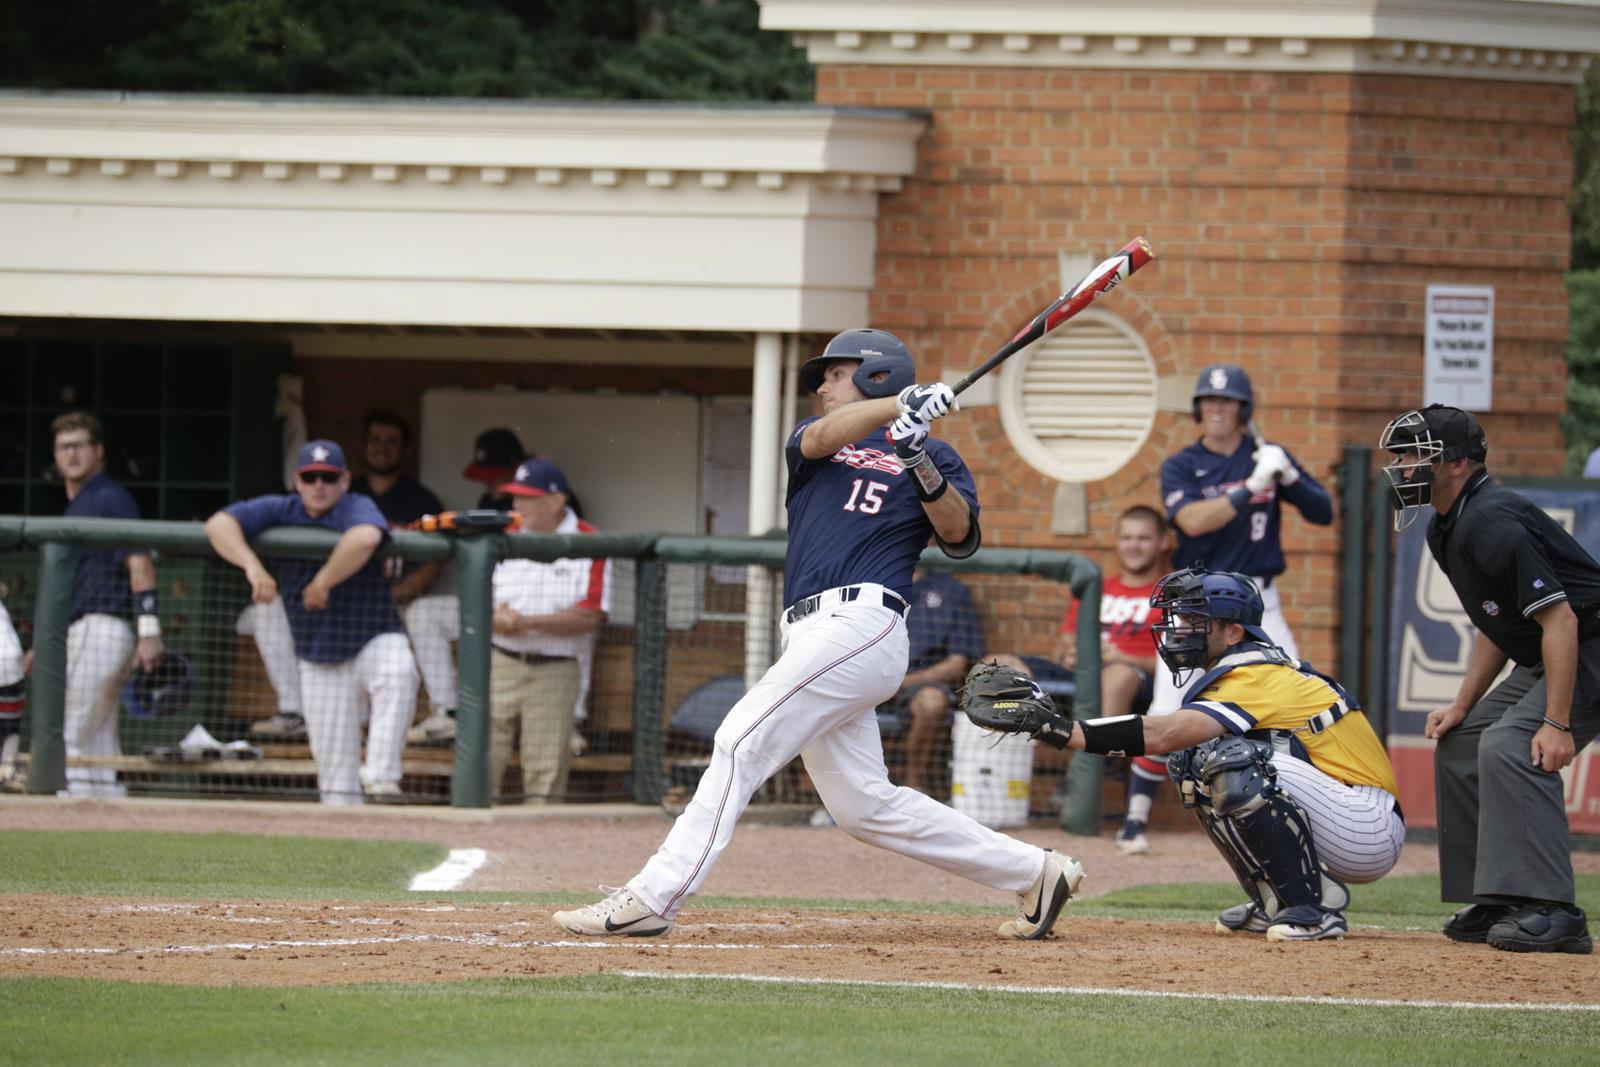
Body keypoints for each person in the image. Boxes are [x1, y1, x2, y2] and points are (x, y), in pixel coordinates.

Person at [553, 328, 1084, 941]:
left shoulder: (935, 456)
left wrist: (917, 458)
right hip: (811, 633)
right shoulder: (821, 444)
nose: (824, 386)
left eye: (835, 373)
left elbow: (960, 538)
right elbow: (825, 434)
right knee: (864, 806)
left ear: (878, 372)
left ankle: (653, 897)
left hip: (863, 623)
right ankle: (1036, 872)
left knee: (738, 740)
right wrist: (899, 408)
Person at [969, 566, 1403, 942]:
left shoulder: (1258, 674)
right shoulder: (1242, 670)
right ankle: (1276, 899)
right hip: (1336, 811)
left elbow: (1163, 733)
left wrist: (1060, 729)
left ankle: (1311, 912)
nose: (1180, 629)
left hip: (1367, 823)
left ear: (1234, 631)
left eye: (1197, 620)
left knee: (1233, 760)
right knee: (1192, 762)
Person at [1381, 404, 1600, 954]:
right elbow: (1496, 622)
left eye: (1415, 454)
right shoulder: (1445, 526)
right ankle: (1502, 895)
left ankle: (1554, 910)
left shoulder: (1492, 519)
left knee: (1510, 744)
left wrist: (1555, 722)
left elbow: (1561, 619)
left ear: (1456, 464)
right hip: (1558, 647)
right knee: (1466, 740)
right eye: (1401, 454)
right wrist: (1461, 703)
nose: (1403, 466)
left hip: (1587, 644)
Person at [1140, 365, 1334, 837]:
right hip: (1199, 600)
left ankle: (1294, 809)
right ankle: (1135, 820)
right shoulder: (1182, 464)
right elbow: (1192, 522)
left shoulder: (1266, 456)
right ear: (1199, 409)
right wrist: (1251, 488)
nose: (1218, 410)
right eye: (1209, 402)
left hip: (1259, 598)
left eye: (1227, 402)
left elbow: (1324, 512)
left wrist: (1287, 474)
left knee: (1292, 687)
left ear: (1244, 409)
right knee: (1168, 704)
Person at [204, 440, 419, 805]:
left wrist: (322, 582)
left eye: (329, 477)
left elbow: (366, 536)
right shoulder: (281, 507)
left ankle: (381, 777)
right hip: (319, 654)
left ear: (345, 481)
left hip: (371, 637)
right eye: (311, 477)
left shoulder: (356, 505)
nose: (320, 485)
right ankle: (347, 843)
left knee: (400, 671)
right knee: (335, 780)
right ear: (297, 480)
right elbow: (218, 524)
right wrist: (253, 567)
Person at [994, 505, 1171, 854]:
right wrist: (1070, 654)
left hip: (1136, 683)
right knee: (1002, 667)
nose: (1134, 546)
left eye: (1144, 539)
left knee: (1117, 676)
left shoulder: (1169, 593)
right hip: (1082, 675)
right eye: (1126, 538)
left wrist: (1124, 657)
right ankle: (997, 784)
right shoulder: (1097, 586)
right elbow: (1063, 648)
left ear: (1163, 543)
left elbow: (1178, 663)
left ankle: (1086, 772)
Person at [48, 412, 165, 797]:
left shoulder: (108, 496)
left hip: (102, 628)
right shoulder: (78, 503)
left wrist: (150, 632)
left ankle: (71, 821)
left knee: (70, 733)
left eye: (80, 445)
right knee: (98, 739)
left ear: (99, 451)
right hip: (86, 631)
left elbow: (140, 561)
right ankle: (109, 815)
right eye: (64, 447)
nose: (72, 454)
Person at [486, 458, 609, 803]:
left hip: (555, 669)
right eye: (515, 496)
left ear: (555, 502)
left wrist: (528, 623)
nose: (516, 505)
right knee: (482, 761)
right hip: (500, 663)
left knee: (545, 775)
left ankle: (539, 851)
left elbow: (590, 616)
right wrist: (494, 616)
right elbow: (475, 597)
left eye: (526, 497)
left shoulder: (593, 541)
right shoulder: (501, 537)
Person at [348, 409, 460, 747]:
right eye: (375, 439)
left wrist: (396, 594)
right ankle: (353, 725)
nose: (382, 447)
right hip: (349, 604)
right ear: (363, 445)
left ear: (405, 449)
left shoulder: (420, 499)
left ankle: (442, 716)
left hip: (400, 604)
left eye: (392, 441)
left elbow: (435, 562)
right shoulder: (346, 495)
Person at [889, 569, 983, 796]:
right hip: (870, 677)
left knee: (933, 702)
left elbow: (956, 665)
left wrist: (904, 682)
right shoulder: (868, 582)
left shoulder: (951, 590)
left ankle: (913, 789)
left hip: (918, 683)